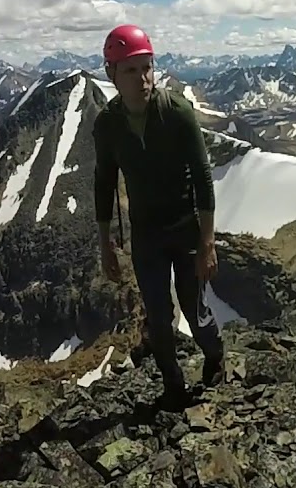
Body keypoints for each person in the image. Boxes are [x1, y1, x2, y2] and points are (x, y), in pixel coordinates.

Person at [92, 23, 225, 408]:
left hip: (185, 232)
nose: (143, 78)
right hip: (147, 235)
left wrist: (207, 242)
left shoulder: (178, 113)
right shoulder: (108, 125)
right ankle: (173, 386)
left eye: (147, 67)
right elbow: (104, 183)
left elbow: (202, 176)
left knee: (195, 311)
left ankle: (215, 356)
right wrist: (105, 245)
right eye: (131, 70)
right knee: (158, 317)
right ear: (112, 74)